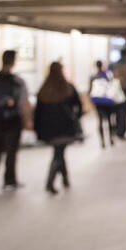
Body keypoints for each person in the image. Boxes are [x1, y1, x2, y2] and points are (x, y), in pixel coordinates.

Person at [32, 62, 83, 194]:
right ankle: (50, 182)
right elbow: (79, 106)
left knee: (59, 151)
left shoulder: (44, 89)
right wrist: (75, 118)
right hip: (64, 127)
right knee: (59, 153)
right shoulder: (68, 88)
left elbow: (37, 112)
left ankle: (65, 178)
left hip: (48, 129)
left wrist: (37, 129)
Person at [0, 49, 29, 190]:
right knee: (11, 151)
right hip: (13, 121)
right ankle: (9, 180)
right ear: (13, 61)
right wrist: (27, 120)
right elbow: (23, 103)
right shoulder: (18, 82)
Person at [88, 60, 117, 147]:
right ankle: (111, 138)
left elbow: (90, 90)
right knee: (109, 120)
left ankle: (102, 141)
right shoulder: (107, 75)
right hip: (107, 101)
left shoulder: (93, 76)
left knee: (100, 120)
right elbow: (112, 86)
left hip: (98, 102)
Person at [111, 54, 126, 140]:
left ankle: (118, 130)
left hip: (117, 95)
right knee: (122, 114)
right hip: (123, 95)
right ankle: (121, 132)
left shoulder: (115, 68)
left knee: (118, 114)